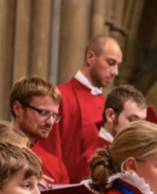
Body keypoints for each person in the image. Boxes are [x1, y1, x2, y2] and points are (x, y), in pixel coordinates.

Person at [38, 36, 123, 171]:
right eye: (111, 63)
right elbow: (49, 151)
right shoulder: (59, 96)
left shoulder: (107, 105)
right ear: (90, 57)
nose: (115, 72)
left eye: (118, 65)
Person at [69, 85, 147, 182]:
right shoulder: (91, 159)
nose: (139, 128)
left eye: (142, 122)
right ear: (110, 115)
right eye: (132, 120)